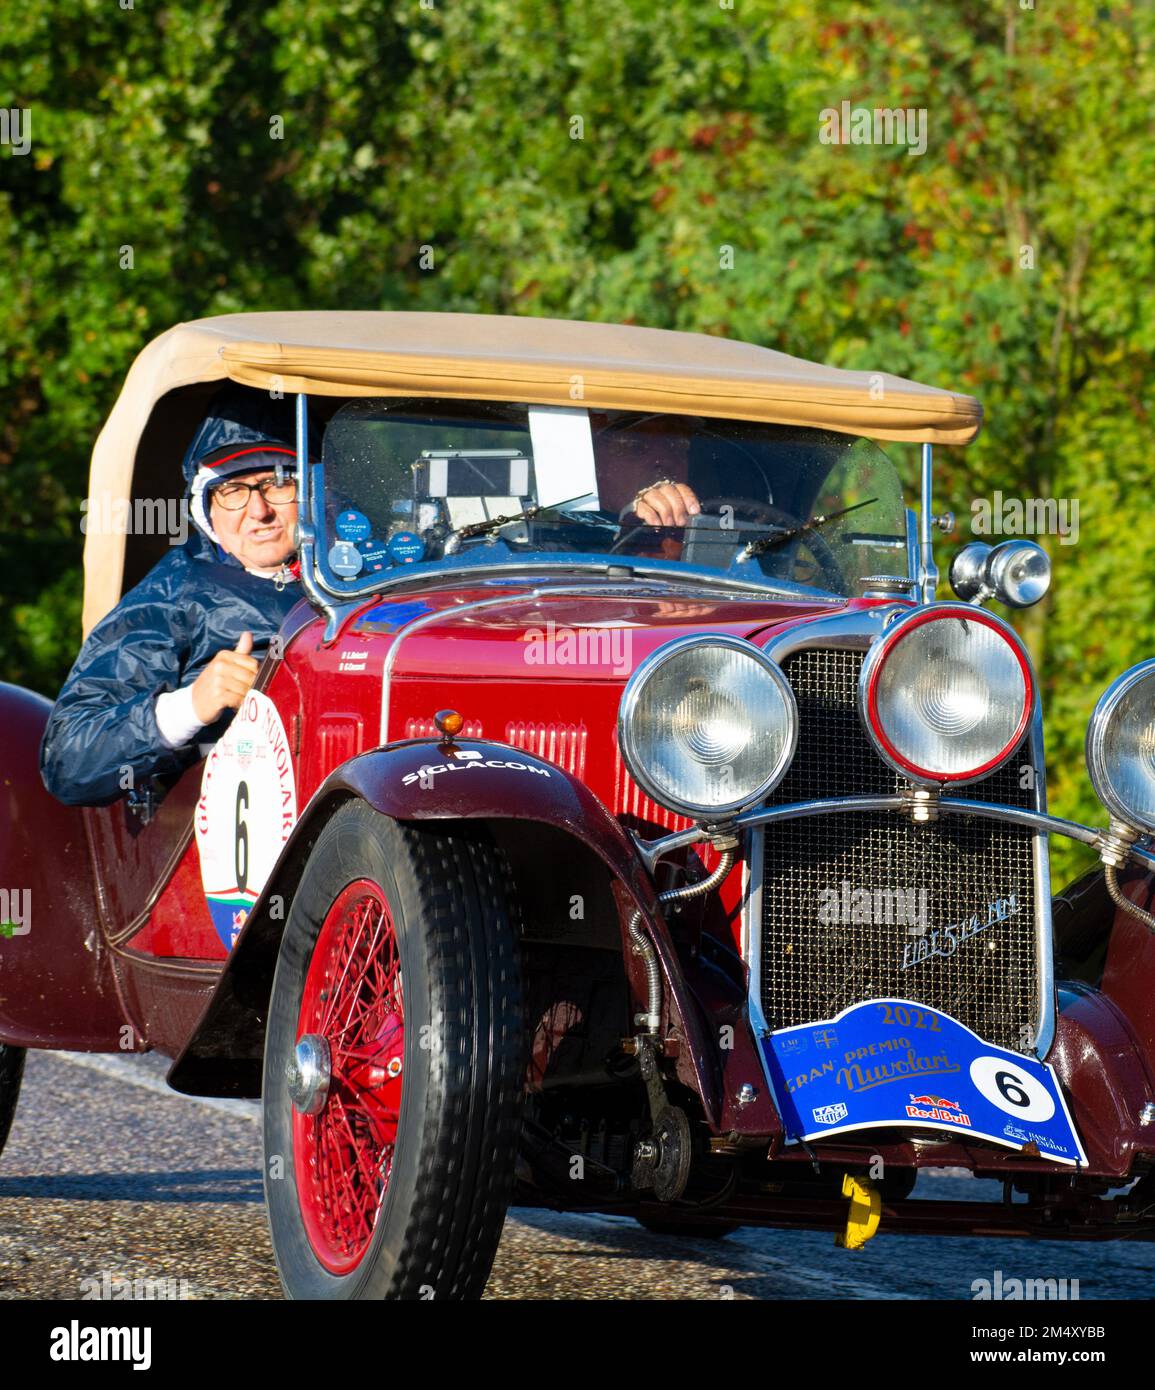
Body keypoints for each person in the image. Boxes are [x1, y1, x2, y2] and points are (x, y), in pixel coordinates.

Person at [39, 386, 307, 807]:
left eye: (278, 482)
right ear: (206, 508)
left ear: (311, 492)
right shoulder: (174, 595)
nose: (259, 511)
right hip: (223, 824)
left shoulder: (372, 574)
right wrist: (192, 705)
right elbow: (67, 760)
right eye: (233, 490)